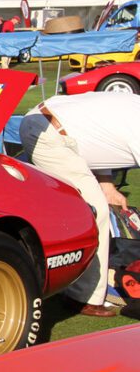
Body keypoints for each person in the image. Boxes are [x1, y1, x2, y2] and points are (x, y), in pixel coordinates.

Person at [19, 94, 140, 317]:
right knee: (96, 212)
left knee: (35, 205)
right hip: (50, 135)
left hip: (48, 124)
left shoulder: (133, 106)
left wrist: (107, 185)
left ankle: (47, 273)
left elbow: (100, 138)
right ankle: (83, 298)